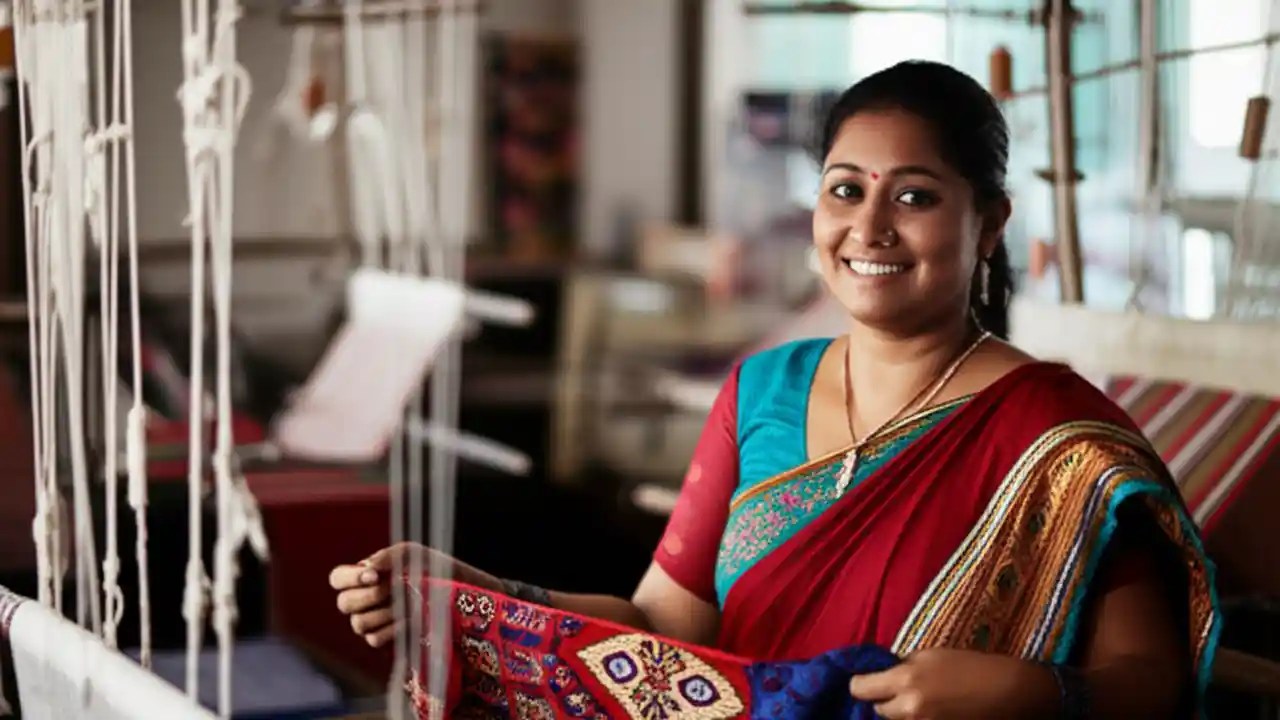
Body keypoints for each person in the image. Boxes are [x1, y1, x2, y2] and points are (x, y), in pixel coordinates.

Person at [329, 60, 1219, 719]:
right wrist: (477, 590)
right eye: (845, 189)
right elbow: (661, 624)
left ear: (987, 223)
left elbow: (1153, 685)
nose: (868, 226)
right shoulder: (763, 388)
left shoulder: (1060, 438)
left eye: (914, 197)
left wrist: (1031, 694)